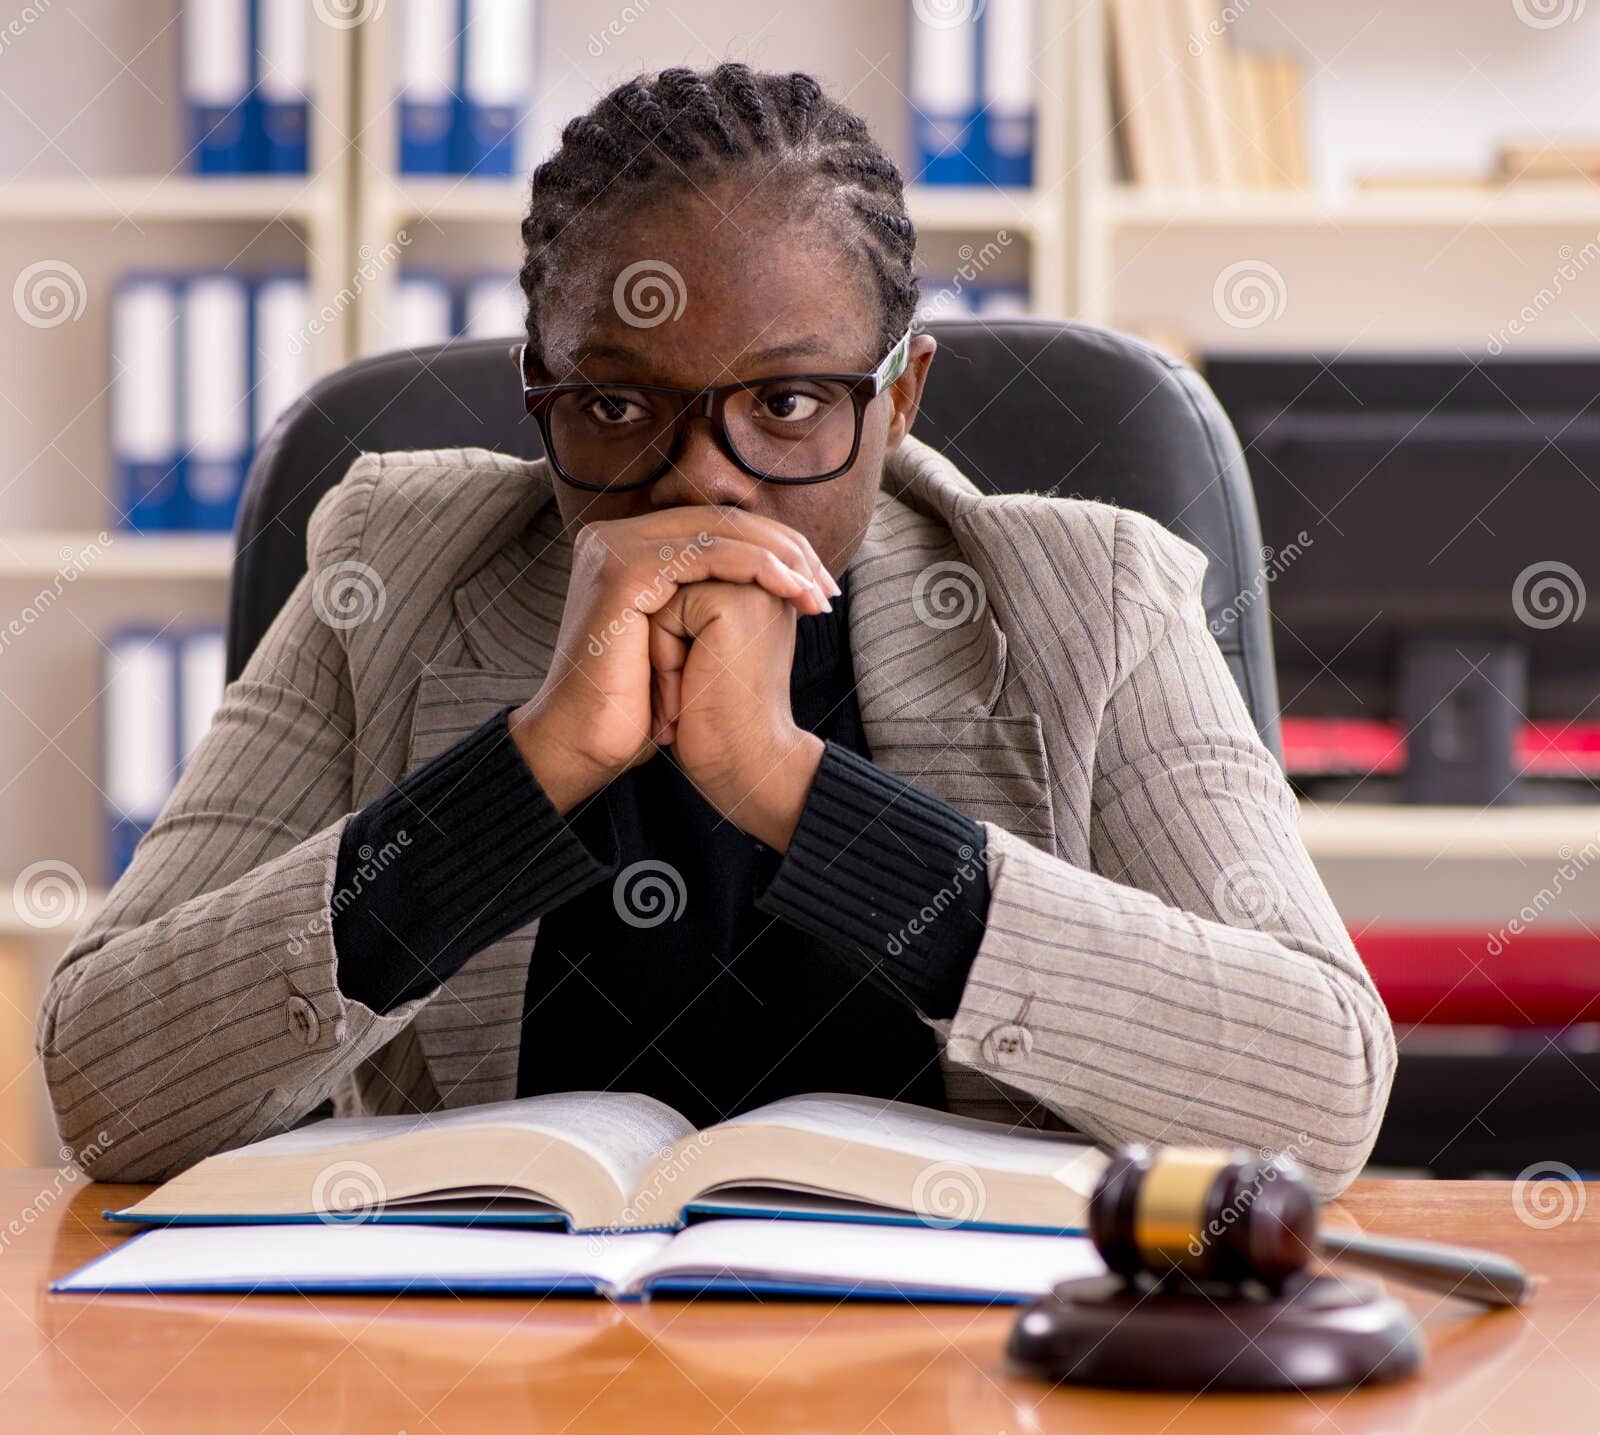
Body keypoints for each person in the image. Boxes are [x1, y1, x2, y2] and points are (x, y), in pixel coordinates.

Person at [39, 65, 1392, 1196]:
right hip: (474, 1380)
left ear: (903, 396)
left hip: (974, 1391)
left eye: (791, 403)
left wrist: (798, 793)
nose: (706, 481)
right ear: (538, 391)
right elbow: (105, 1087)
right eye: (619, 408)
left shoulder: (1092, 593)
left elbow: (1321, 1092)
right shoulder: (394, 568)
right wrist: (529, 770)